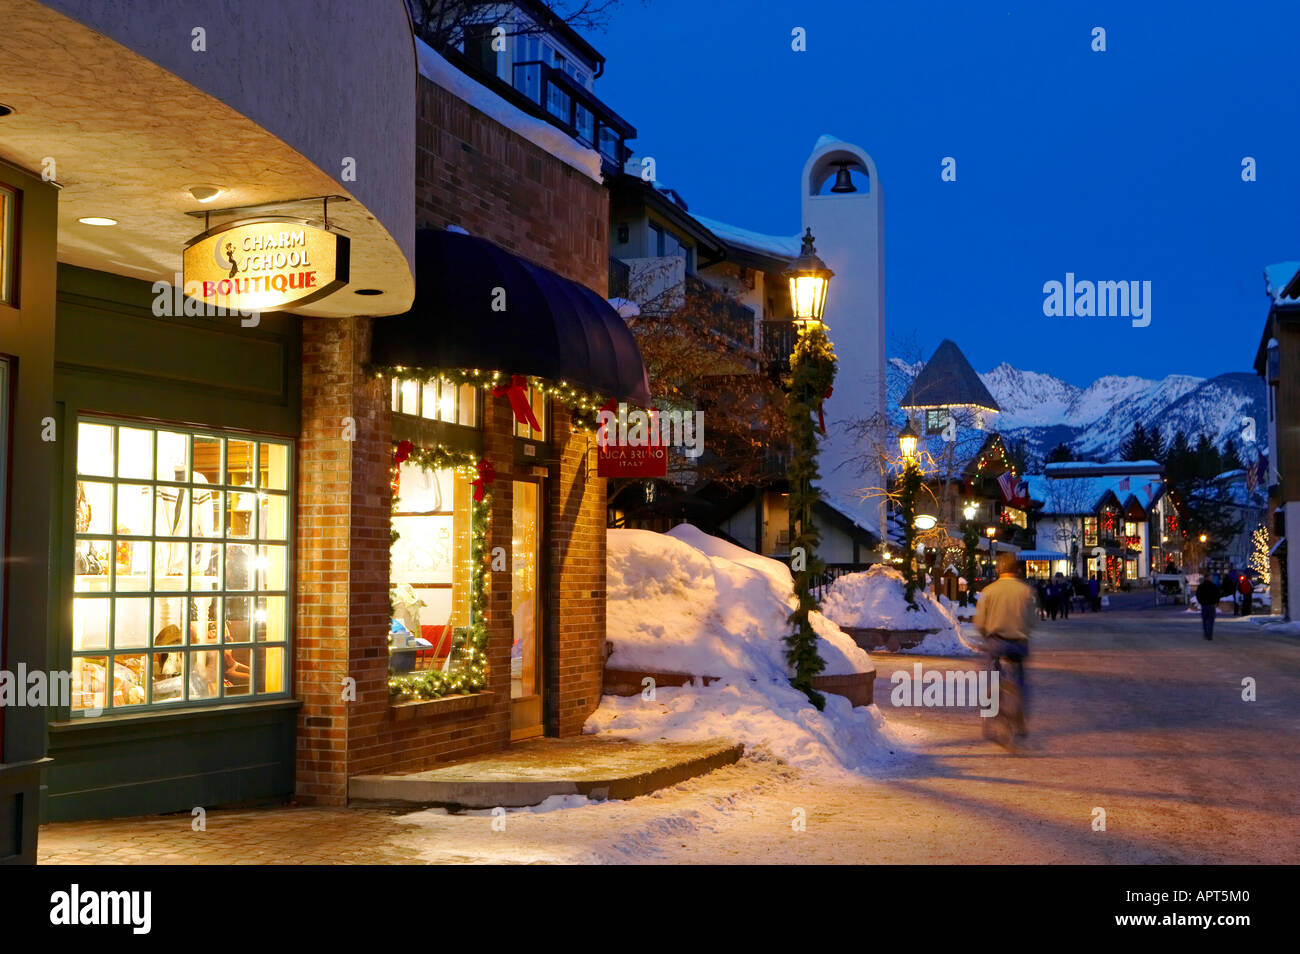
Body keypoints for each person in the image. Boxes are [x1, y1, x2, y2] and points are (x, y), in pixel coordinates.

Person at [973, 552, 1037, 738]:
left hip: (996, 642)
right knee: (1020, 678)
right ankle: (1020, 716)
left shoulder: (989, 591)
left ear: (999, 569)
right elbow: (1032, 620)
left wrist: (986, 634)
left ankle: (991, 710)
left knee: (993, 673)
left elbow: (979, 622)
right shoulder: (1026, 591)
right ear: (1016, 569)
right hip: (1018, 643)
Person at [1196, 573, 1220, 640]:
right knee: (1210, 620)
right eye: (1211, 577)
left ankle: (1206, 633)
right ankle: (1209, 634)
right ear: (1208, 578)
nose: (1212, 578)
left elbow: (1198, 595)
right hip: (1211, 605)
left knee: (1205, 620)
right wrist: (1216, 602)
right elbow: (1217, 595)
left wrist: (1201, 602)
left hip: (1204, 605)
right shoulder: (1213, 586)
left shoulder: (1201, 586)